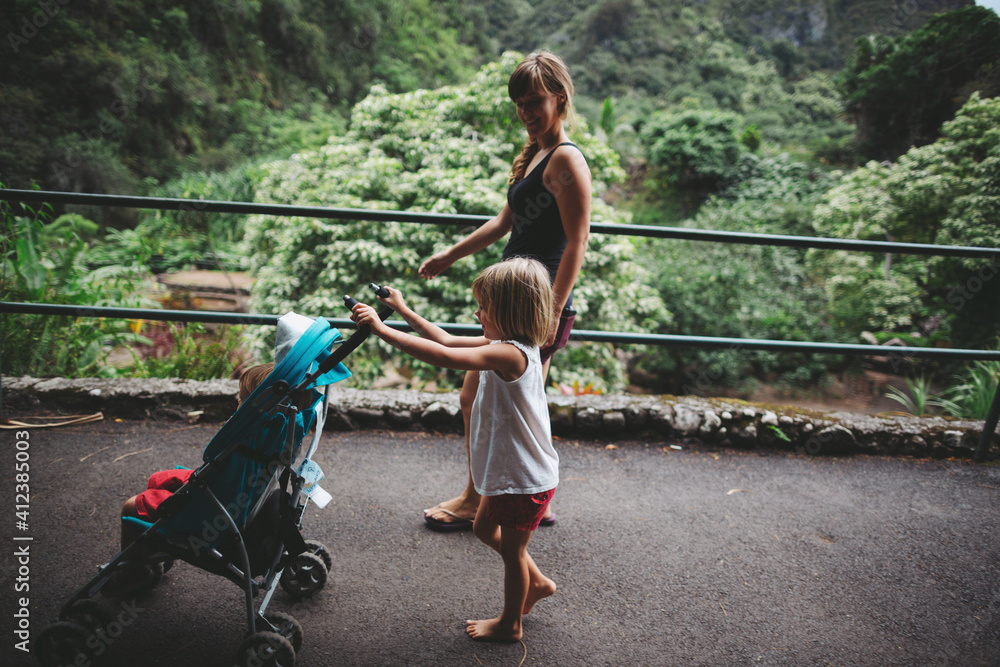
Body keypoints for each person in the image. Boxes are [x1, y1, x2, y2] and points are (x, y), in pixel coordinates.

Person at [417, 50, 591, 531]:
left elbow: (577, 241)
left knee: (479, 398)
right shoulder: (535, 154)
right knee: (515, 404)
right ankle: (533, 496)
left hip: (537, 305)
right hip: (514, 300)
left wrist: (552, 311)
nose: (527, 111)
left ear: (559, 98)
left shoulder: (566, 160)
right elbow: (503, 224)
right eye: (519, 103)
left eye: (535, 101)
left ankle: (478, 498)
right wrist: (450, 255)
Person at [352, 257, 560, 642]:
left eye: (484, 307)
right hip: (513, 475)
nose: (477, 312)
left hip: (523, 479)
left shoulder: (509, 354)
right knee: (482, 528)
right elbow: (446, 340)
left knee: (513, 551)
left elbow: (444, 357)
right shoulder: (507, 344)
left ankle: (510, 623)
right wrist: (401, 309)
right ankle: (540, 584)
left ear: (508, 311)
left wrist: (381, 329)